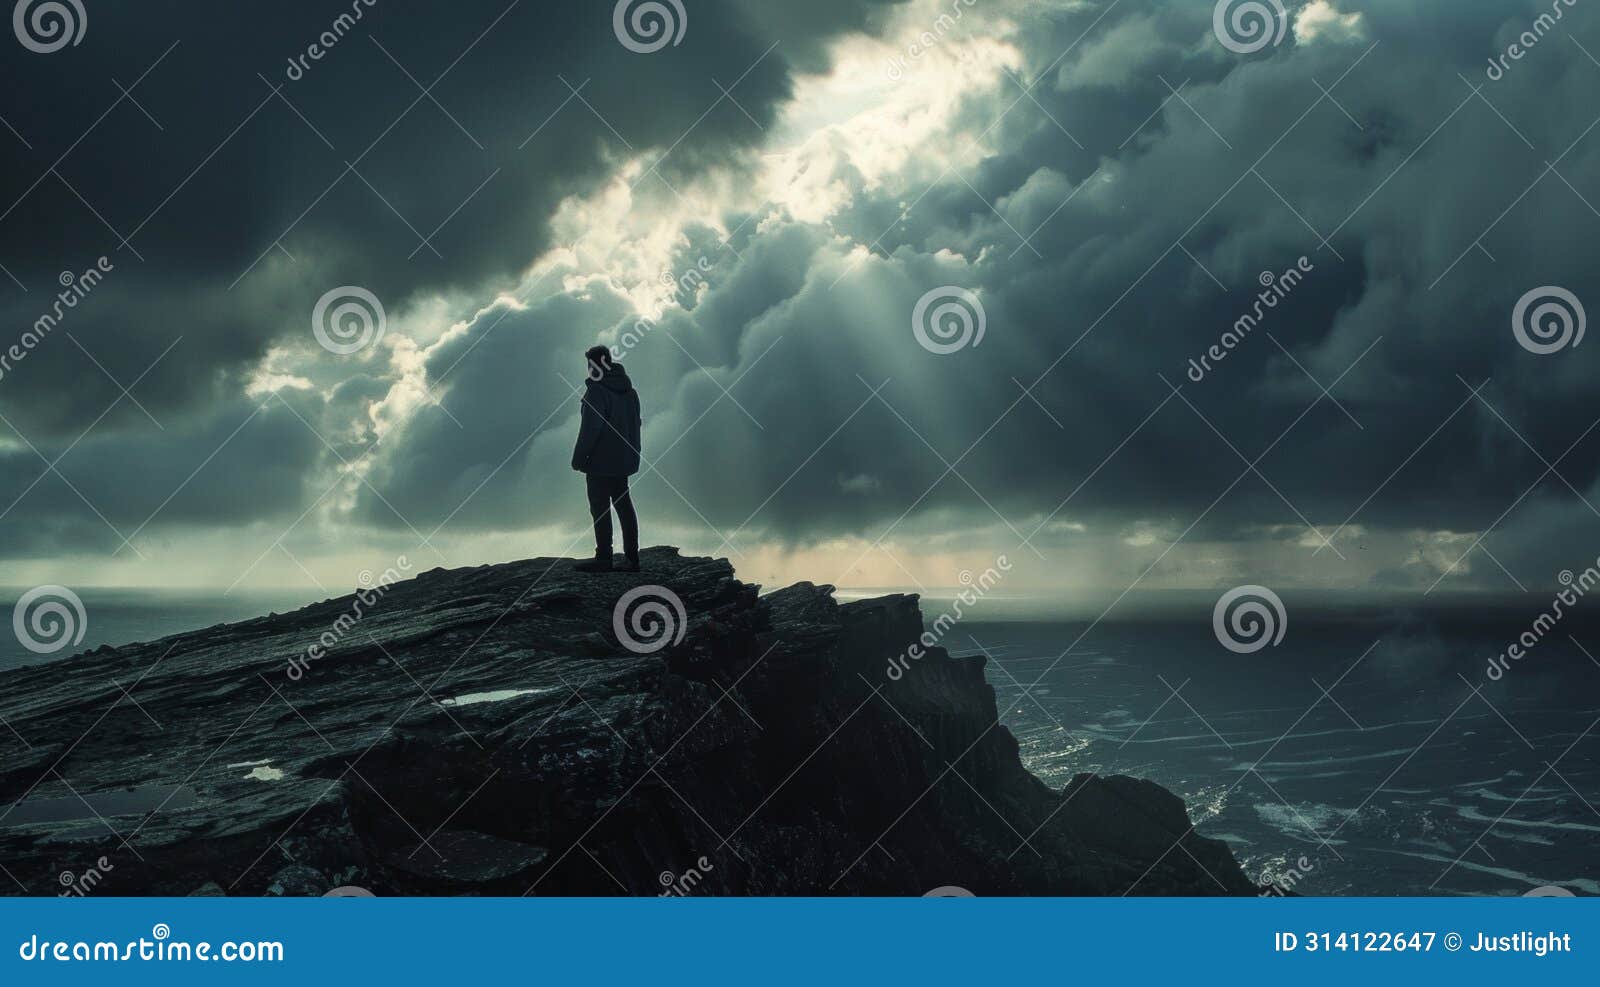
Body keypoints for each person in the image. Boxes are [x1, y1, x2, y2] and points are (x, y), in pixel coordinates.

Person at [571, 345, 642, 572]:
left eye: (590, 365)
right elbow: (636, 426)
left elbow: (590, 429)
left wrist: (579, 459)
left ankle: (604, 556)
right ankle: (632, 558)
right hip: (624, 460)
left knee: (599, 507)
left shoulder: (597, 392)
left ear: (595, 364)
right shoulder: (630, 392)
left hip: (600, 462)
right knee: (624, 505)